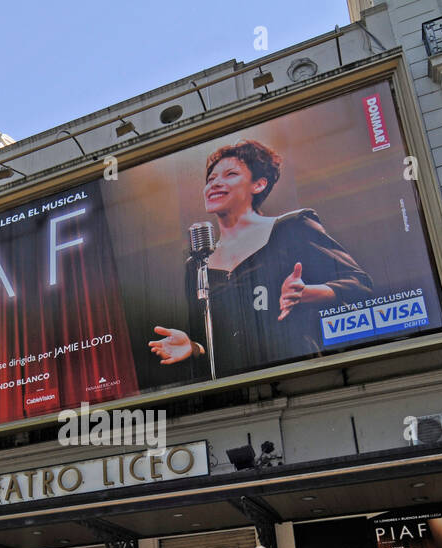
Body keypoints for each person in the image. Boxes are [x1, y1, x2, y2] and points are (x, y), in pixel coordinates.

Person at [148, 139, 372, 379]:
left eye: (230, 174)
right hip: (233, 390)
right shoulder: (198, 264)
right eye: (211, 179)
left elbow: (360, 284)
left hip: (300, 376)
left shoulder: (293, 226)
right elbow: (208, 339)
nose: (215, 184)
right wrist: (194, 347)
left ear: (258, 184)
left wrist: (308, 292)